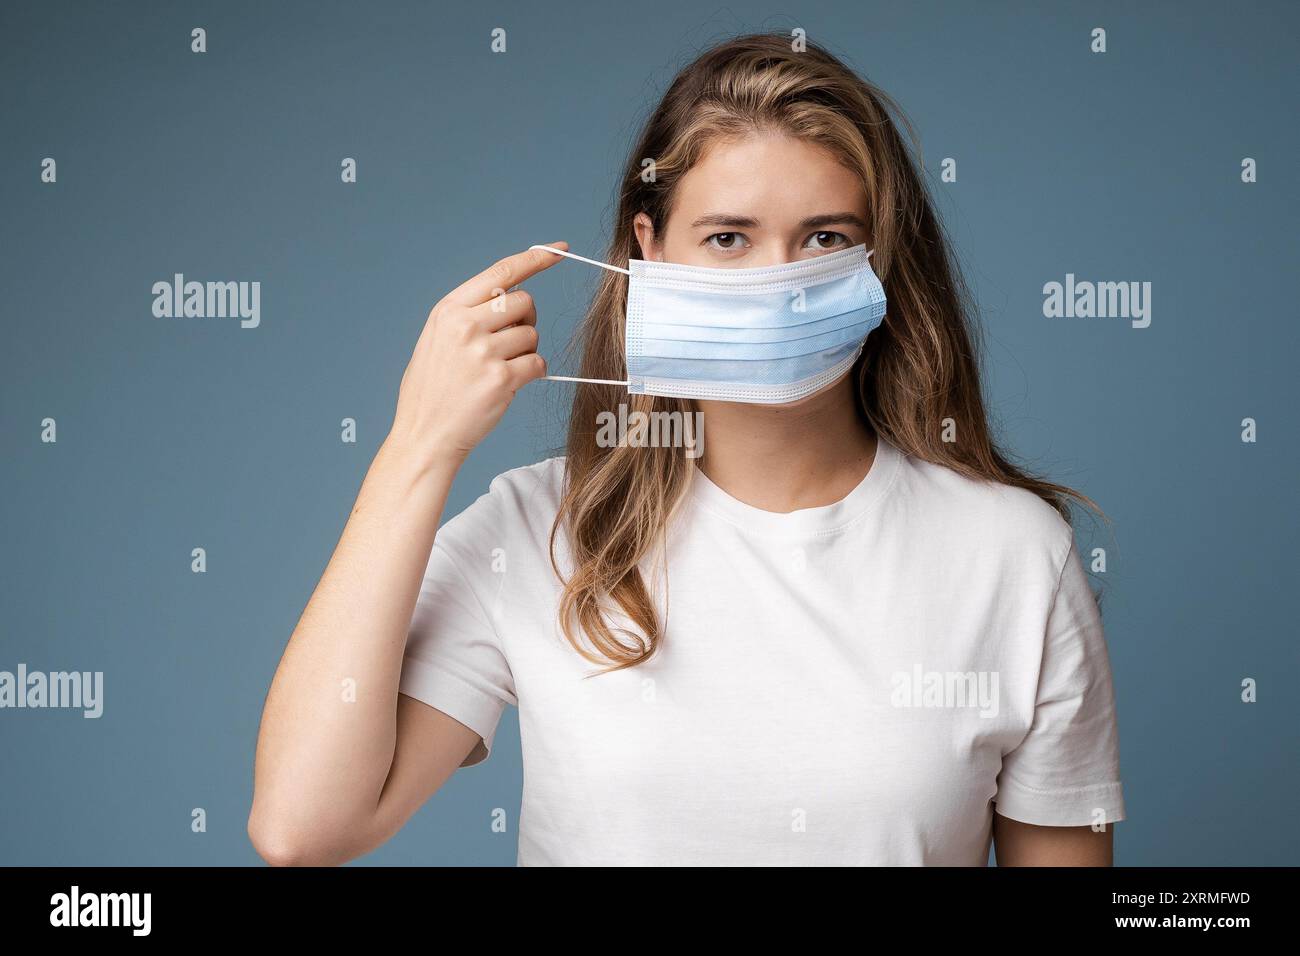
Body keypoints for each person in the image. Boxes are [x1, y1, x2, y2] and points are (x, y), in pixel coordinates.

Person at [249, 33, 1125, 866]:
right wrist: (418, 445)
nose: (777, 282)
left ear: (878, 262)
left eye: (824, 239)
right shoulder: (536, 532)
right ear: (649, 250)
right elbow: (302, 825)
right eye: (728, 238)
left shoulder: (1011, 554)